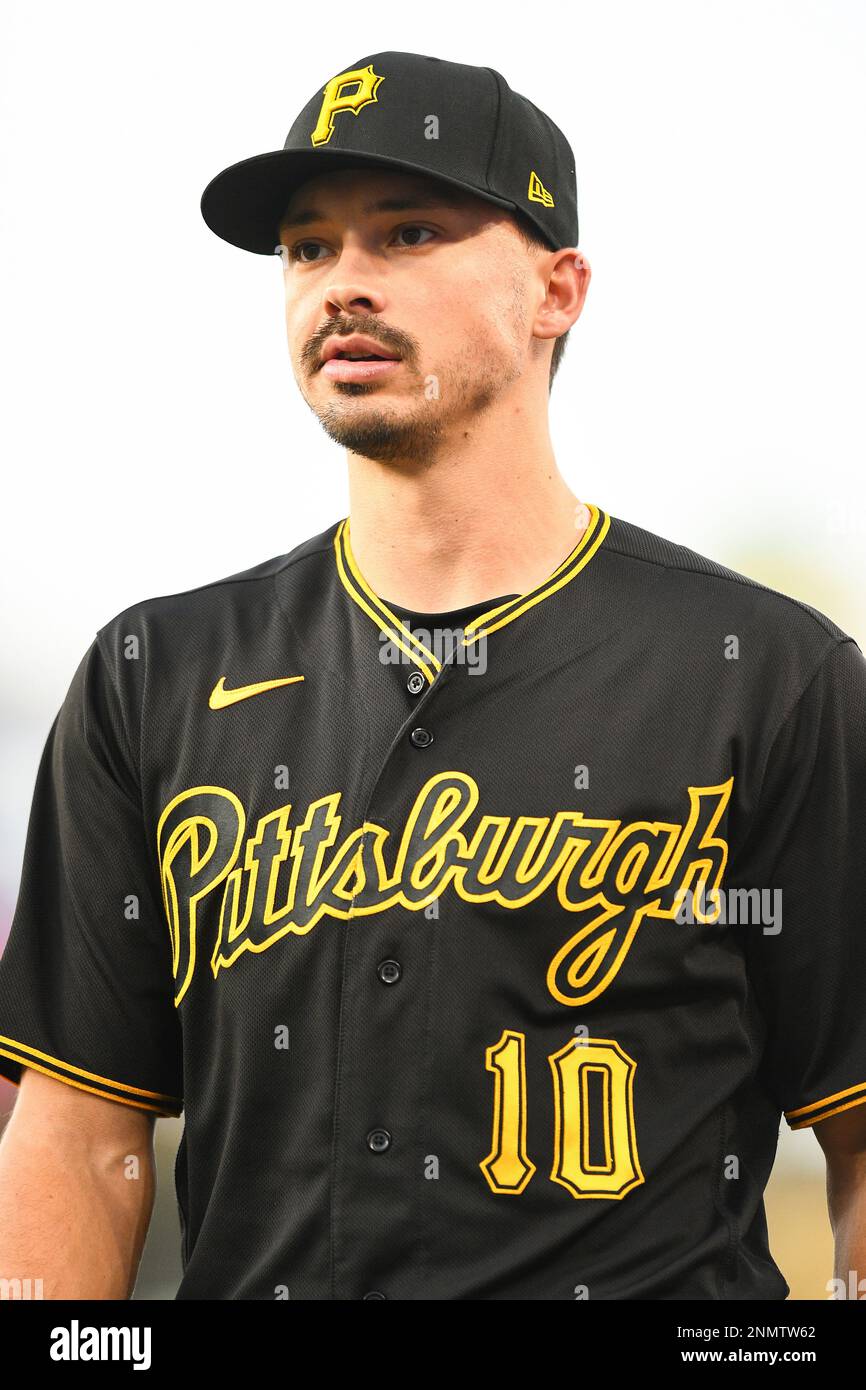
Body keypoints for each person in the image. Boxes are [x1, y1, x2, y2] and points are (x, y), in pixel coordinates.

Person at [0, 50, 864, 1302]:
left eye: (406, 233)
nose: (341, 283)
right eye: (306, 249)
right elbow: (78, 1137)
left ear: (556, 289)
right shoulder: (156, 675)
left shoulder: (765, 676)